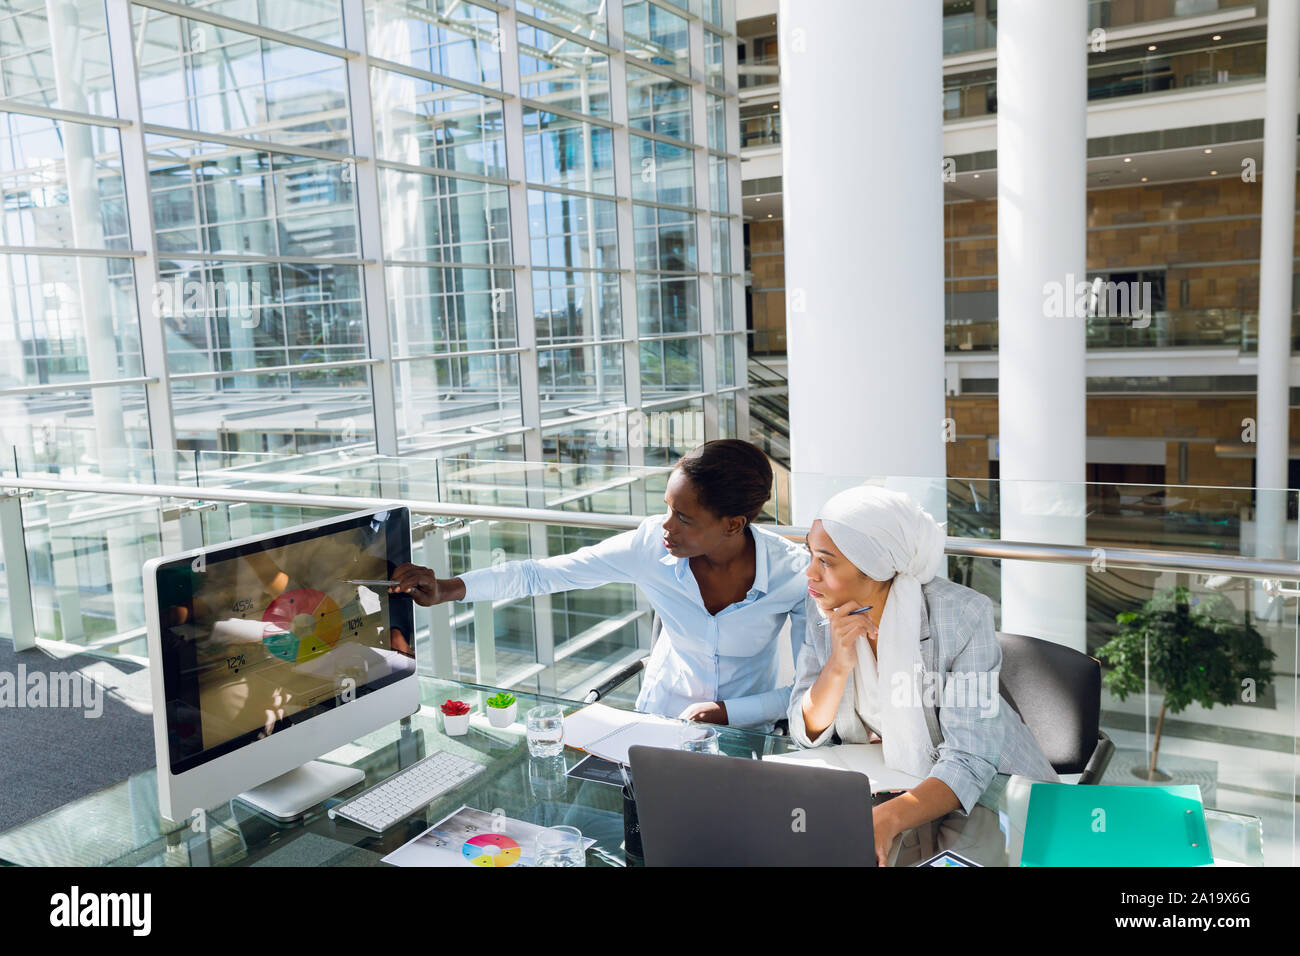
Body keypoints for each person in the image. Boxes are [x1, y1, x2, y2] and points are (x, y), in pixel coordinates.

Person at [391, 440, 810, 731]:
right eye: (667, 507)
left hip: (746, 731)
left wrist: (729, 713)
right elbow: (542, 573)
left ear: (734, 524)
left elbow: (809, 687)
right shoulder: (650, 545)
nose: (665, 526)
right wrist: (448, 588)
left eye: (683, 518)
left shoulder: (793, 574)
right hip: (660, 718)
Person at [790, 485, 1058, 865]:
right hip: (892, 781)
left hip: (990, 792)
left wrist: (888, 817)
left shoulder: (962, 615)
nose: (809, 573)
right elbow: (806, 731)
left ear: (875, 567)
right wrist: (837, 664)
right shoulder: (822, 607)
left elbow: (971, 758)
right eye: (810, 555)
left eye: (826, 561)